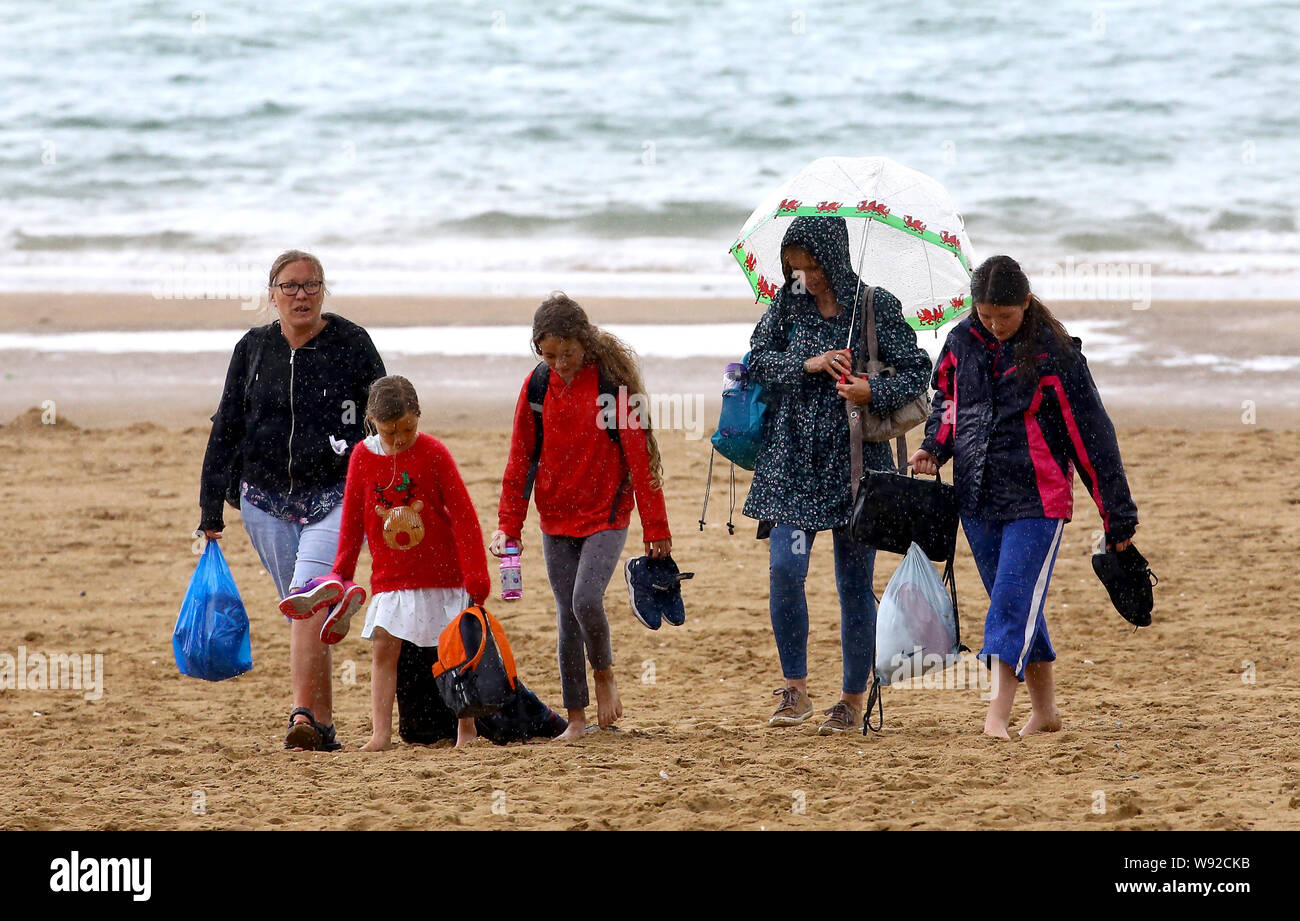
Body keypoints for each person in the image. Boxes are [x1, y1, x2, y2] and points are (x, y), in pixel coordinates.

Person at [910, 255, 1139, 739]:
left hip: (1039, 500)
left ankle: (995, 718)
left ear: (1027, 303)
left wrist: (1117, 518)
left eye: (1005, 316)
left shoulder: (1054, 353)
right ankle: (1046, 712)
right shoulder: (959, 343)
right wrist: (933, 447)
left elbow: (1092, 437)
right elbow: (947, 406)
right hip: (974, 497)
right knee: (1015, 603)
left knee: (1011, 603)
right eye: (985, 315)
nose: (994, 326)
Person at [744, 216, 931, 734]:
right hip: (791, 461)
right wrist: (808, 362)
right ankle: (795, 691)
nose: (805, 277)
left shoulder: (876, 305)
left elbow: (920, 370)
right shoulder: (786, 305)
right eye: (794, 268)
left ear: (835, 257)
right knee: (785, 569)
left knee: (854, 583)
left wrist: (872, 390)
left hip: (857, 465)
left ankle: (850, 701)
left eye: (812, 266)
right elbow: (754, 361)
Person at [198, 250, 385, 751]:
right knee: (301, 609)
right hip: (264, 500)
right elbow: (227, 424)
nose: (301, 295)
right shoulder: (253, 348)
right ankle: (322, 726)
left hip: (337, 493)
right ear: (272, 293)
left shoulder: (352, 343)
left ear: (323, 291)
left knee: (304, 596)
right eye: (290, 286)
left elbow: (382, 420)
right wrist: (210, 508)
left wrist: (389, 487)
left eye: (311, 285)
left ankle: (301, 713)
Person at [489, 292, 672, 741]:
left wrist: (657, 529)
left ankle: (604, 674)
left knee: (585, 600)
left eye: (567, 353)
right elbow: (520, 460)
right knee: (566, 616)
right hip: (554, 517)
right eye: (549, 354)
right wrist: (508, 527)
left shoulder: (611, 384)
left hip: (607, 514)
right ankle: (576, 717)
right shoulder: (536, 387)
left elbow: (639, 460)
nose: (560, 363)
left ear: (584, 343)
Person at [325, 375, 493, 750]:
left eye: (408, 428)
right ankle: (380, 734)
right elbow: (352, 520)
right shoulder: (362, 458)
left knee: (457, 652)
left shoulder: (434, 452)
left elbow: (464, 517)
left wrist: (476, 575)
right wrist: (342, 574)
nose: (400, 439)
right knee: (384, 646)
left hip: (443, 575)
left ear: (418, 417)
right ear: (372, 421)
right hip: (392, 577)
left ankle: (466, 730)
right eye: (390, 432)